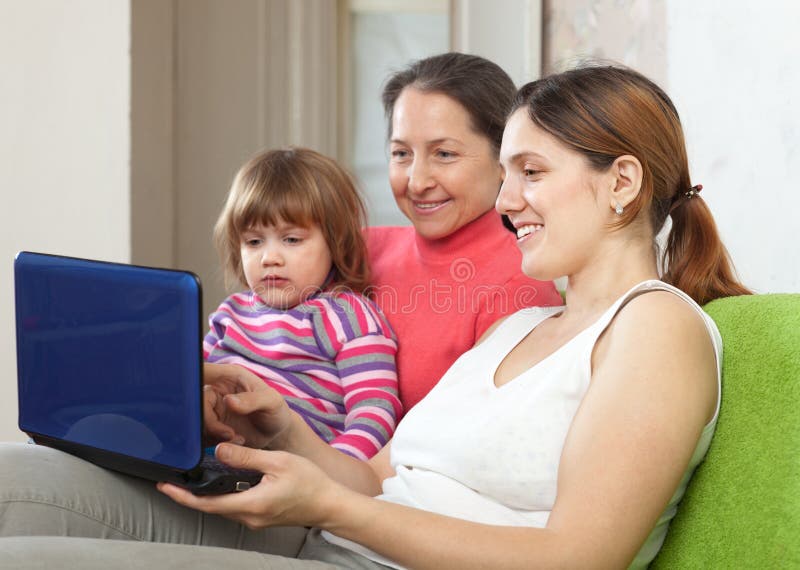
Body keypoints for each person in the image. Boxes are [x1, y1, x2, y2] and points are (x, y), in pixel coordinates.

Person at [0, 64, 752, 569]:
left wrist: (330, 505)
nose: (505, 200)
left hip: (359, 555)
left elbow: (574, 557)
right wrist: (279, 429)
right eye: (507, 175)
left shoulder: (656, 328)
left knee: (28, 558)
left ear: (621, 181)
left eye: (531, 173)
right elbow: (375, 479)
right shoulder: (518, 329)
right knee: (14, 481)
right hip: (332, 539)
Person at [366, 53, 562, 411]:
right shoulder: (358, 251)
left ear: (505, 159)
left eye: (443, 154)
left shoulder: (520, 286)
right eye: (401, 153)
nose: (417, 181)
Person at [203, 147, 401, 460]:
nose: (270, 258)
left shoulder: (347, 317)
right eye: (254, 242)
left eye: (291, 239)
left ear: (335, 243)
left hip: (299, 475)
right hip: (215, 461)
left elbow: (374, 414)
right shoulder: (230, 314)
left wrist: (331, 478)